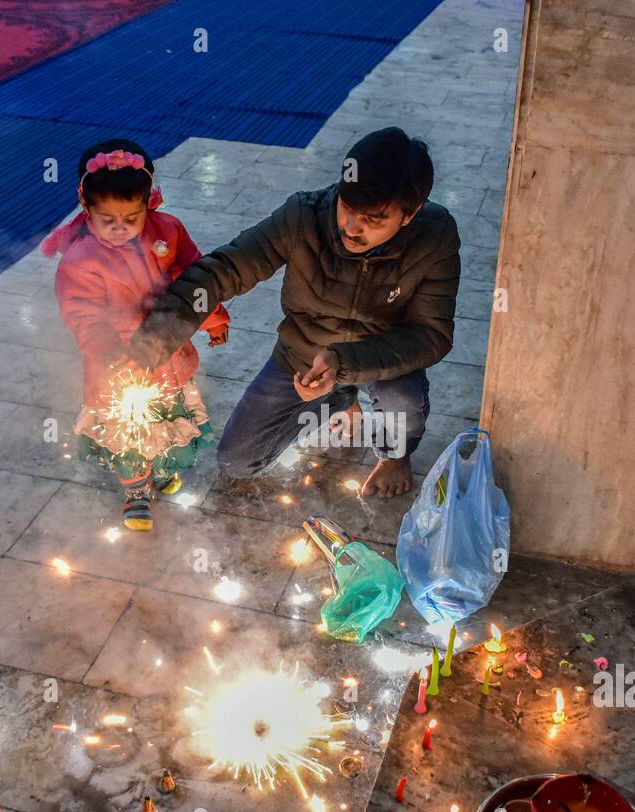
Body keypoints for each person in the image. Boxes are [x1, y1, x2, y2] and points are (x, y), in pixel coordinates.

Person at [126, 126, 460, 499]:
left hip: (385, 358)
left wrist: (343, 363)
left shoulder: (434, 236)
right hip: (302, 355)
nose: (351, 227)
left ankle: (395, 454)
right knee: (237, 461)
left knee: (403, 401)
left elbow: (431, 335)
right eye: (347, 207)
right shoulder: (305, 216)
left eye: (374, 219)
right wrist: (157, 338)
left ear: (409, 215)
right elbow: (226, 269)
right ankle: (338, 398)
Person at [43, 139, 229, 530]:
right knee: (127, 426)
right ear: (85, 206)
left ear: (149, 201)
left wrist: (214, 319)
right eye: (106, 218)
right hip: (117, 363)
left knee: (165, 413)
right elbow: (83, 315)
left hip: (167, 352)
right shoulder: (82, 259)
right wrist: (111, 354)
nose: (120, 227)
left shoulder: (169, 231)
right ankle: (135, 489)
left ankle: (162, 466)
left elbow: (197, 280)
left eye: (132, 216)